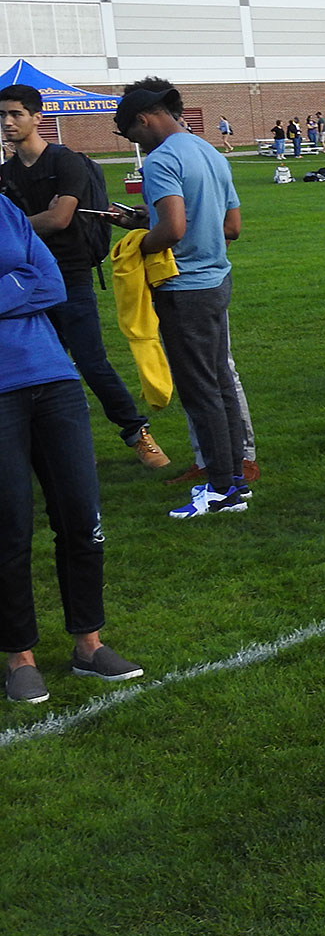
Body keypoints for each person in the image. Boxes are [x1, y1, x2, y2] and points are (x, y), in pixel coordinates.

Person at [1, 196, 145, 705]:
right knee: (10, 527)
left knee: (82, 518)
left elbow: (53, 282)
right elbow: (34, 283)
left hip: (53, 379)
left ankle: (89, 645)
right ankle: (20, 657)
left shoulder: (5, 210)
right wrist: (21, 286)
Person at [0, 85, 168, 469]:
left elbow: (58, 220)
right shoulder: (5, 174)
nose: (7, 123)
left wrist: (19, 226)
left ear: (37, 117)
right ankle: (39, 451)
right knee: (32, 369)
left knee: (91, 362)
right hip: (23, 282)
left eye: (15, 114)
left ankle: (136, 432)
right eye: (1, 116)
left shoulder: (65, 162)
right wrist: (36, 221)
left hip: (70, 276)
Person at [110, 78, 250, 518]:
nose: (136, 143)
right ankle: (235, 481)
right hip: (216, 281)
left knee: (199, 390)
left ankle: (222, 489)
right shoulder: (208, 151)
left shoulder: (161, 161)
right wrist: (143, 218)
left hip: (182, 288)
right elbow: (231, 228)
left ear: (144, 119)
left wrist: (136, 243)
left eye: (131, 134)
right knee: (220, 383)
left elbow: (172, 230)